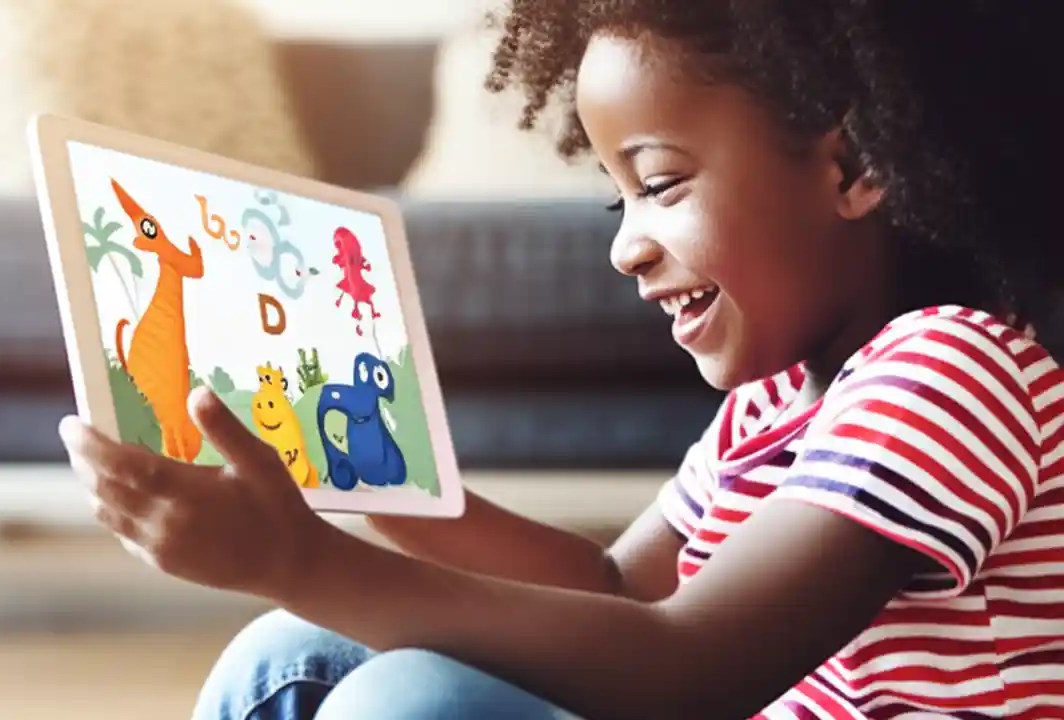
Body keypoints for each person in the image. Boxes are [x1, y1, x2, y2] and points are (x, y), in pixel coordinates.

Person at [58, 2, 1064, 717]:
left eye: (660, 184)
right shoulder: (774, 407)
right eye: (613, 200)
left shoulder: (954, 368)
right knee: (291, 651)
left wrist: (291, 557)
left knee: (411, 696)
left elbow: (689, 666)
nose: (624, 245)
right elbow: (616, 587)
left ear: (854, 167)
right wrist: (390, 492)